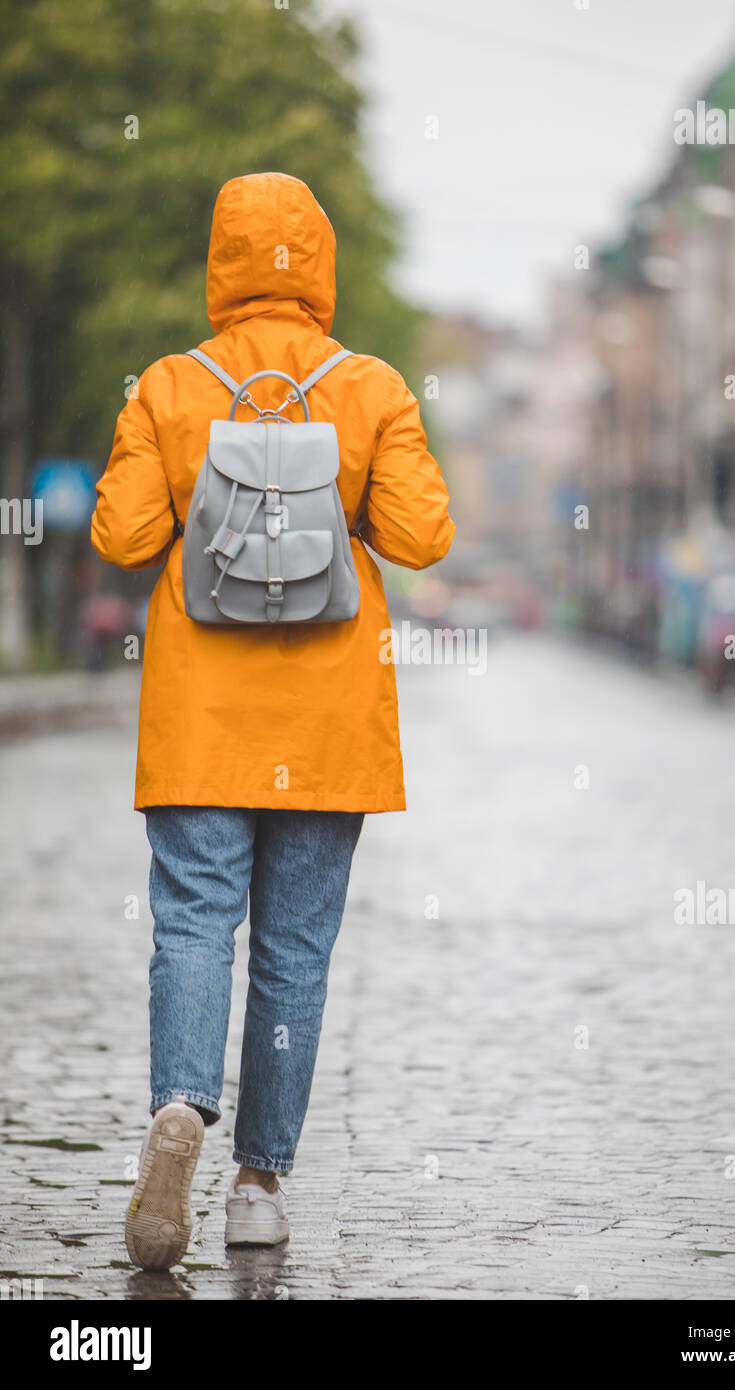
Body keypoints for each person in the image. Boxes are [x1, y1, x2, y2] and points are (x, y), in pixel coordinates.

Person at [91, 172, 455, 1270]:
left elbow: (119, 536)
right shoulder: (370, 385)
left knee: (195, 923)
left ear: (221, 261)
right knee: (294, 954)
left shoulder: (168, 383)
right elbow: (420, 535)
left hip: (201, 715)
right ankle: (257, 1187)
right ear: (322, 263)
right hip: (330, 720)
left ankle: (180, 1108)